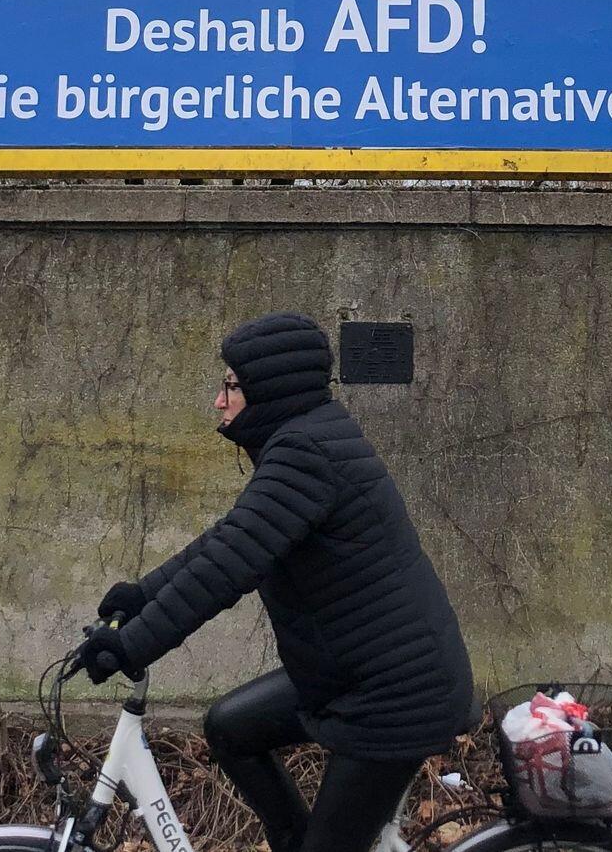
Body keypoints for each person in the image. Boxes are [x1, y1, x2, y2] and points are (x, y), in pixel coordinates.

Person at [71, 312, 476, 852]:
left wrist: (130, 646)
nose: (220, 401)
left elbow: (227, 569)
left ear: (270, 389)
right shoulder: (304, 440)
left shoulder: (305, 454)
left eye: (232, 386)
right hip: (356, 674)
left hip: (395, 698)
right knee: (231, 728)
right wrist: (143, 594)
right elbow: (230, 541)